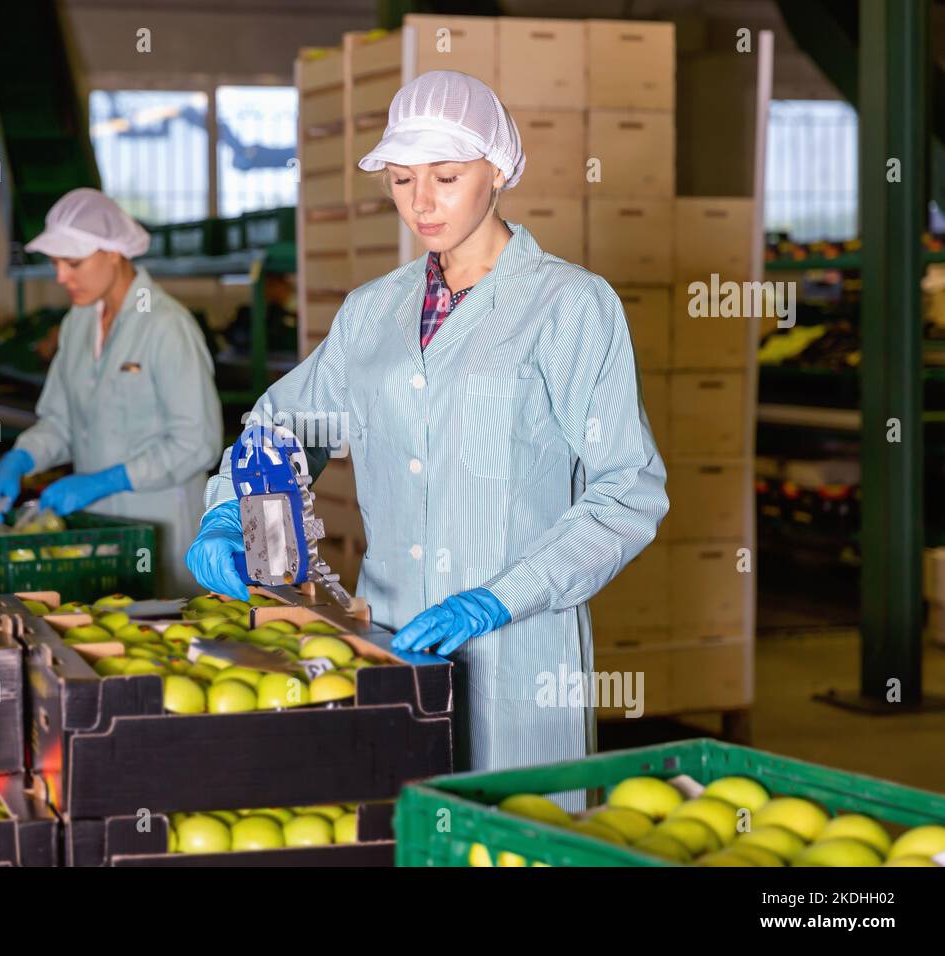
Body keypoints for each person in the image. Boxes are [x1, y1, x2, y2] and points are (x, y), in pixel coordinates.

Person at [184, 72, 668, 794]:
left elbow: (628, 491)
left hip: (517, 645)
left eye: (446, 176)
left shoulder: (570, 306)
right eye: (402, 179)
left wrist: (501, 597)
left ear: (499, 170)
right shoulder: (372, 312)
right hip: (390, 639)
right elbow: (285, 428)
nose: (422, 201)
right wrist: (234, 514)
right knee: (400, 826)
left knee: (515, 832)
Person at [0, 188, 223, 596]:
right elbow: (60, 422)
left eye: (73, 263)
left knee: (161, 637)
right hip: (99, 533)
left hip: (162, 527)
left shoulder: (165, 326)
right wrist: (18, 460)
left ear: (113, 253)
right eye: (55, 263)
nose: (60, 277)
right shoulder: (78, 324)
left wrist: (110, 479)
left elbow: (198, 442)